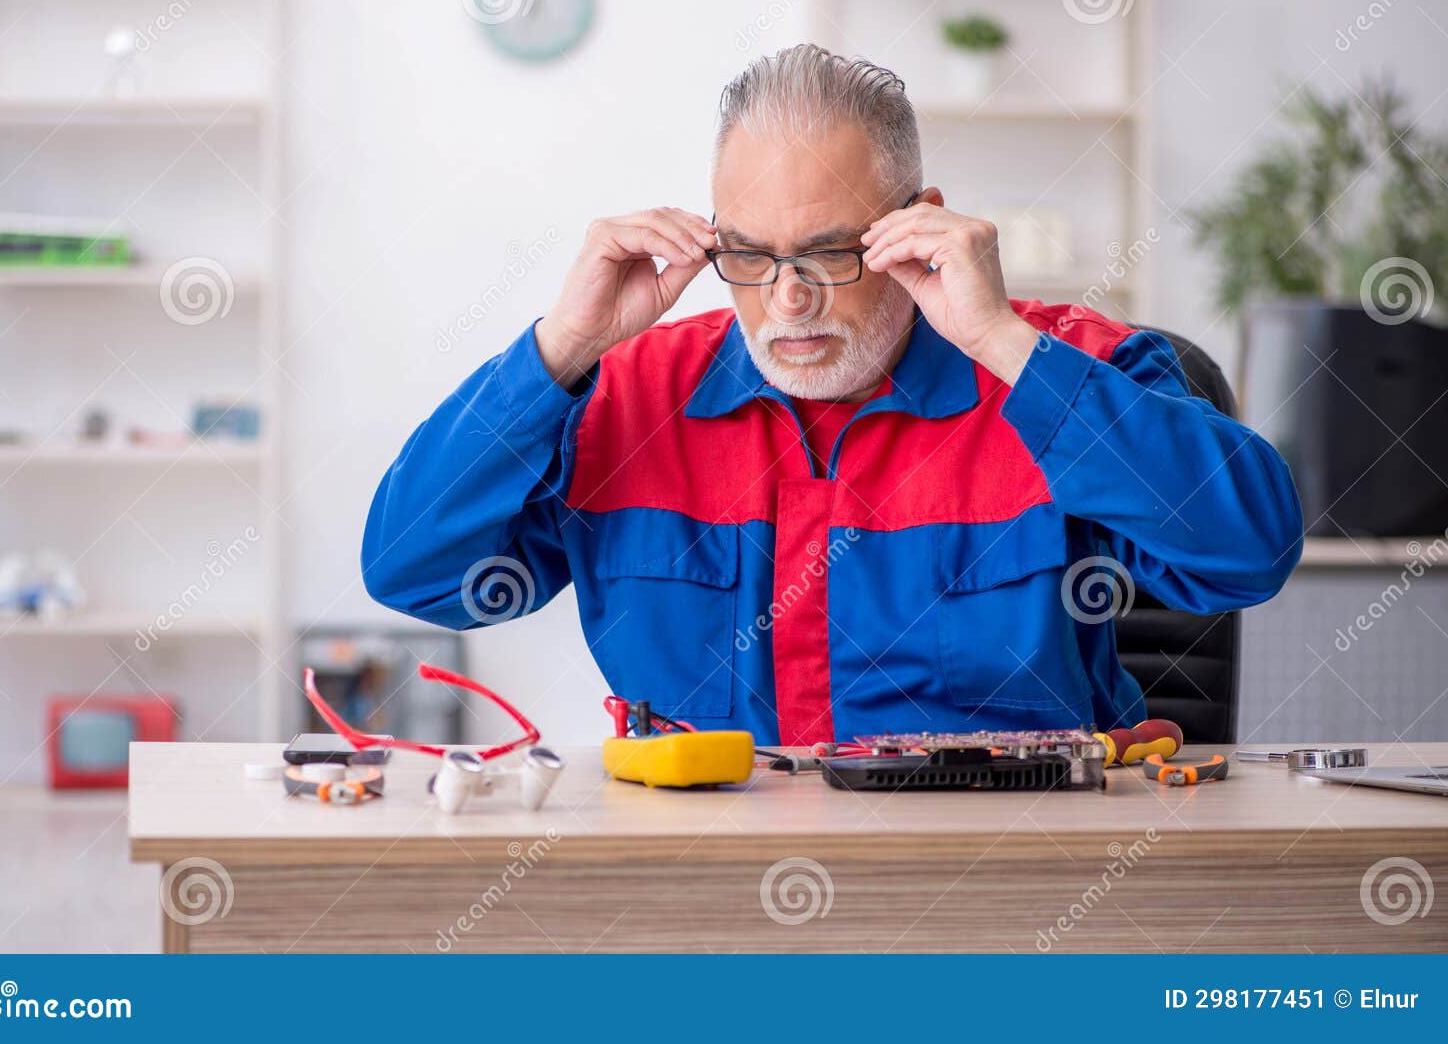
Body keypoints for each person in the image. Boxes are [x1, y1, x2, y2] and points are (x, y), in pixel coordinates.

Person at [361, 44, 1302, 745]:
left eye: (828, 251)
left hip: (1001, 888)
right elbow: (413, 570)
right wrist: (561, 347)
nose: (788, 299)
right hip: (700, 890)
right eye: (751, 254)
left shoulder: (1057, 366)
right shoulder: (625, 392)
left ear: (920, 222)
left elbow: (1248, 555)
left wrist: (999, 343)